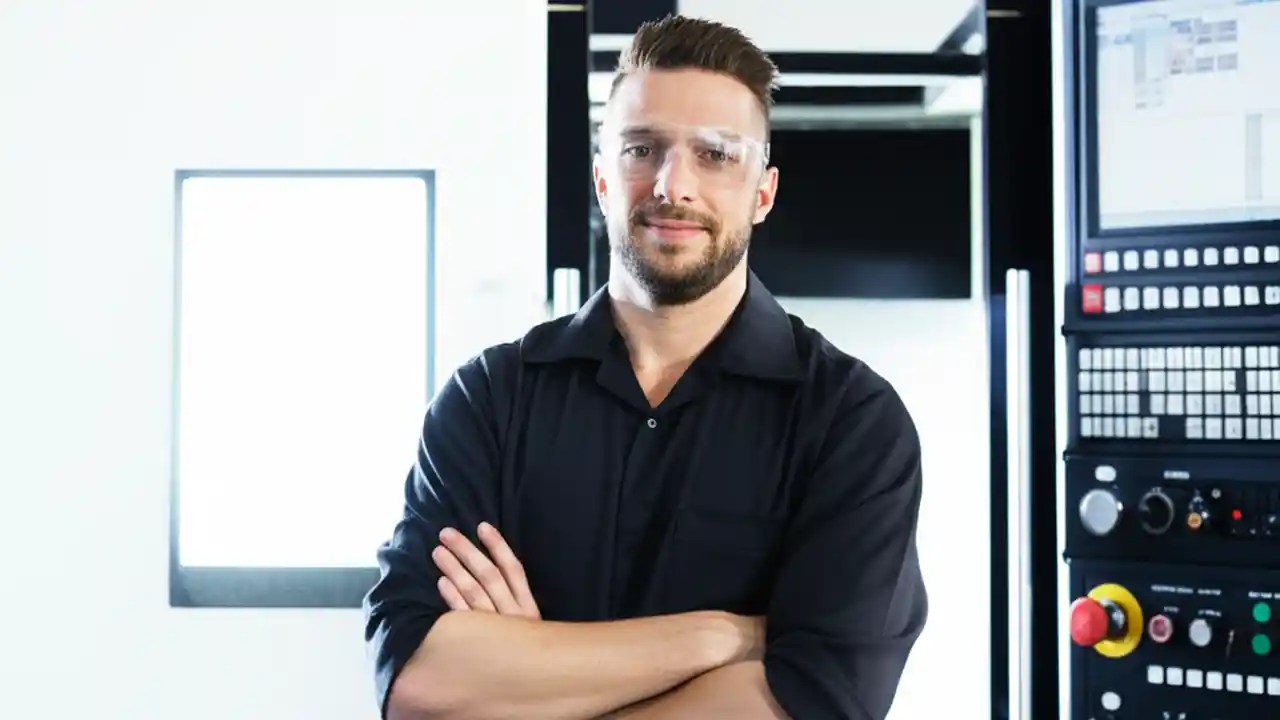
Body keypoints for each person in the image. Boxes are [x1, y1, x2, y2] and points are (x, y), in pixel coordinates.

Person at [363, 14, 928, 720]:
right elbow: (419, 684)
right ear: (603, 179)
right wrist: (720, 638)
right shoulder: (489, 400)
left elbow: (820, 701)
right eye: (642, 148)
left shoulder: (850, 422)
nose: (672, 185)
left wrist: (528, 682)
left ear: (763, 192)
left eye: (716, 154)